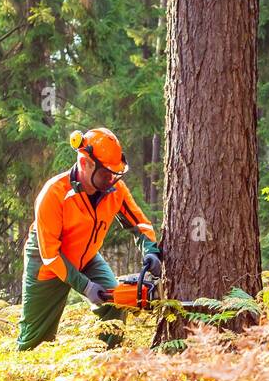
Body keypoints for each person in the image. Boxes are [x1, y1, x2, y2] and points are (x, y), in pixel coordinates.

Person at [17, 126, 163, 351]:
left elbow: (139, 224)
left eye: (115, 172)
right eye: (106, 172)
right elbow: (50, 255)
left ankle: (106, 363)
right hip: (47, 265)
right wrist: (85, 287)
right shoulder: (54, 194)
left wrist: (150, 250)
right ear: (85, 164)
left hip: (86, 256)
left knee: (115, 305)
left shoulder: (115, 190)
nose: (112, 178)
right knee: (34, 341)